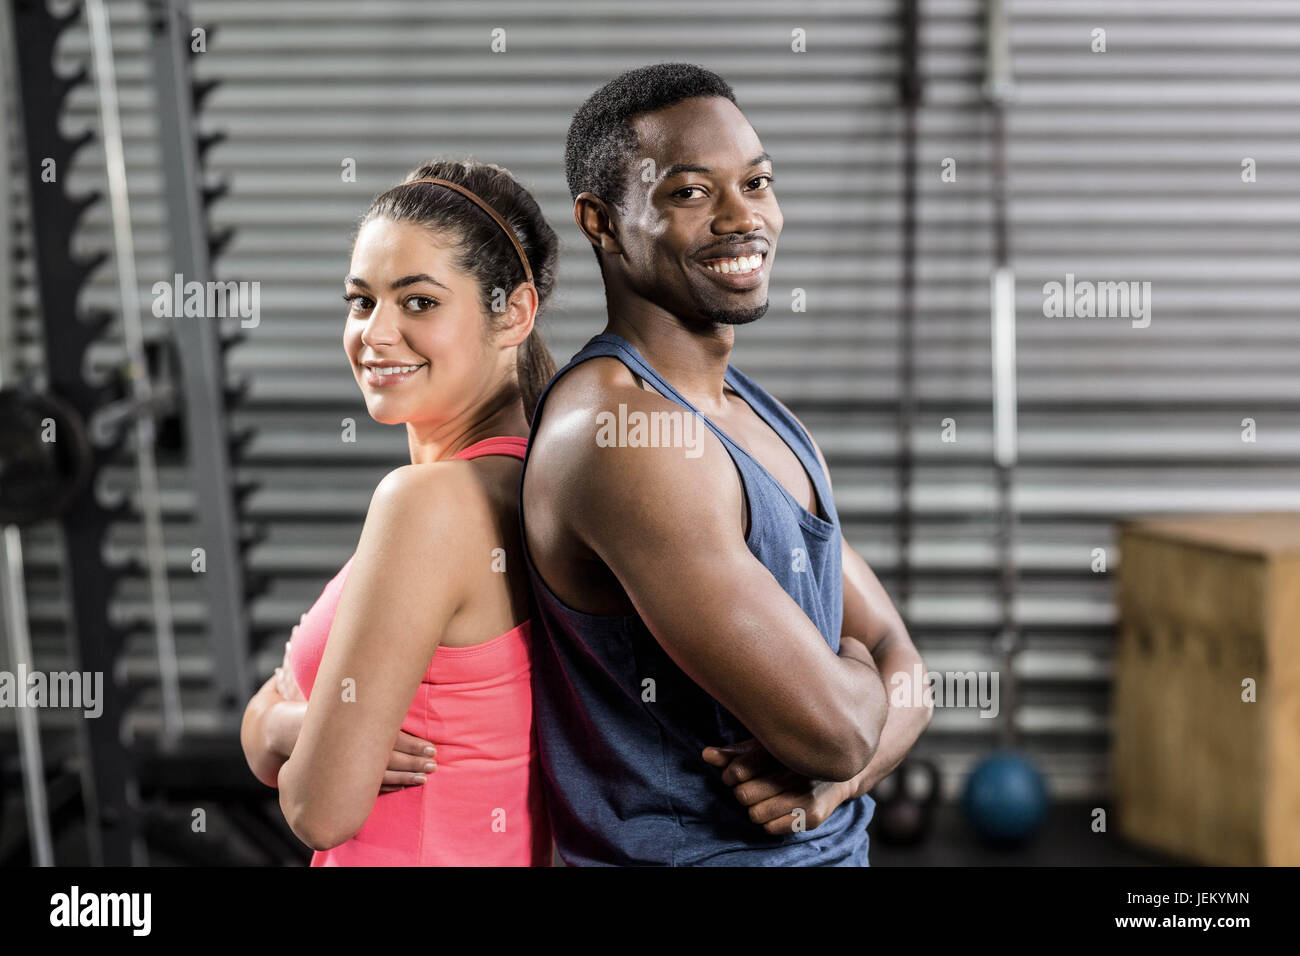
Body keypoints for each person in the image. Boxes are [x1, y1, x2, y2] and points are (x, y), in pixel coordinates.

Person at [519, 63, 933, 866]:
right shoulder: (621, 435)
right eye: (691, 192)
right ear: (601, 224)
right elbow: (842, 724)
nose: (744, 218)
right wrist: (854, 684)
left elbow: (905, 668)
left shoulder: (754, 415)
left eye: (758, 182)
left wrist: (835, 784)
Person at [240, 158, 558, 866]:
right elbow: (264, 727)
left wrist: (282, 729)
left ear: (513, 313)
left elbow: (318, 810)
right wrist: (286, 726)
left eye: (418, 302)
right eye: (361, 301)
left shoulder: (428, 503)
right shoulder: (542, 479)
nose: (375, 335)